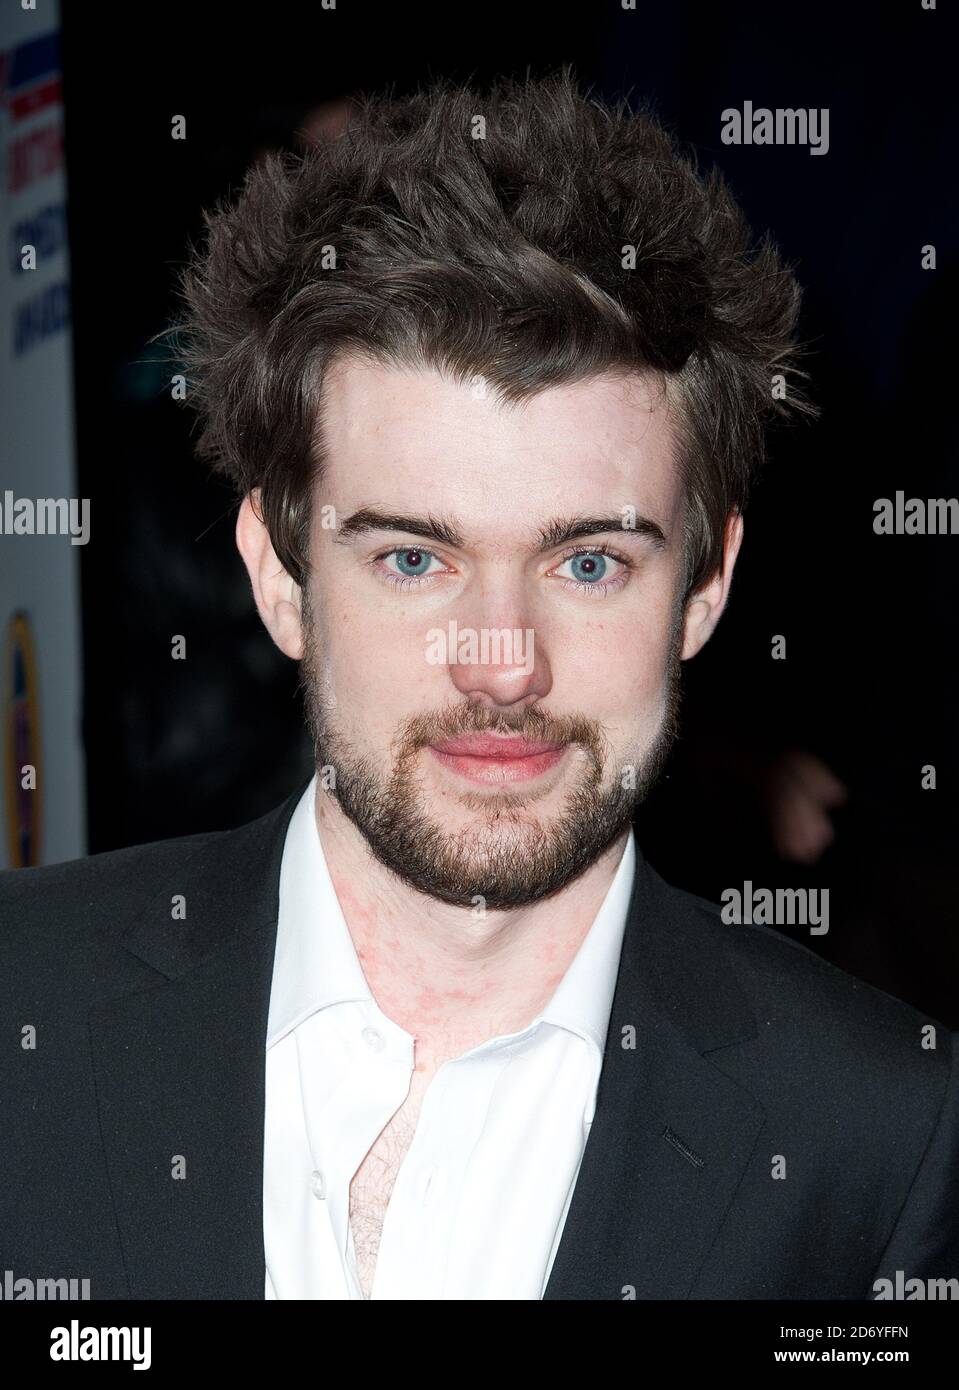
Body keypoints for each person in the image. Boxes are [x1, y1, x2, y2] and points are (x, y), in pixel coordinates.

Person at [2, 68, 956, 1302]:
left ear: (705, 586)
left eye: (588, 561)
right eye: (412, 557)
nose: (500, 660)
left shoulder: (880, 1143)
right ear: (279, 575)